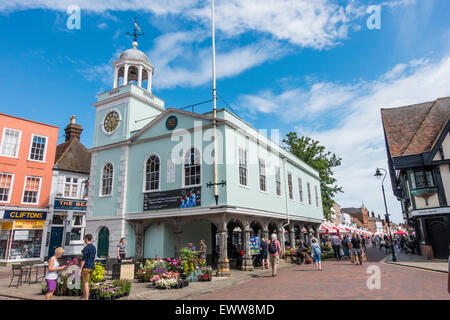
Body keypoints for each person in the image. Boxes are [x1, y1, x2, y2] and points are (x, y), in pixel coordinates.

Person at [80, 234, 96, 300]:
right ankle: (84, 297)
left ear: (86, 239)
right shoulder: (94, 247)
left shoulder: (86, 248)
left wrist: (80, 269)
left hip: (86, 267)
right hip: (92, 266)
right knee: (85, 282)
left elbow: (84, 259)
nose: (84, 240)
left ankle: (86, 298)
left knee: (85, 283)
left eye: (84, 239)